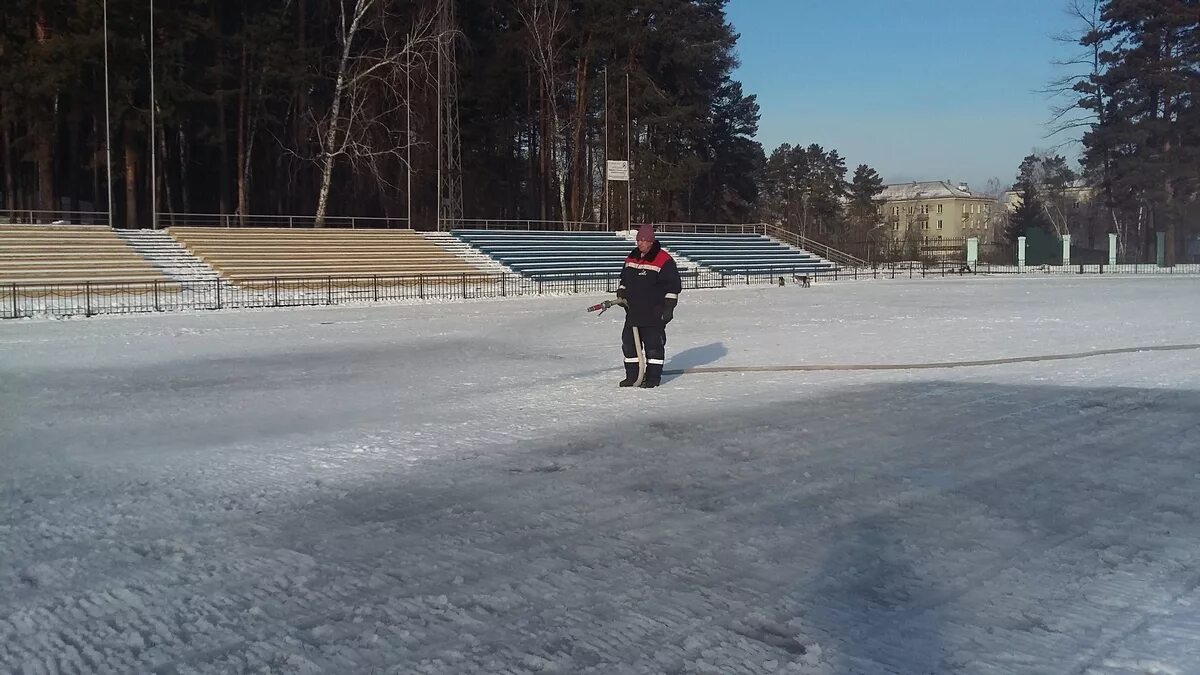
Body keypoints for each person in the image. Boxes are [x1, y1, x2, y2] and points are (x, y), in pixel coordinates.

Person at [615, 224, 681, 388]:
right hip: (633, 312)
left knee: (654, 347)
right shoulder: (631, 258)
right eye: (638, 240)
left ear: (651, 241)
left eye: (644, 240)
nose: (640, 243)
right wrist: (622, 293)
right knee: (629, 345)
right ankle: (633, 376)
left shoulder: (663, 260)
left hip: (654, 312)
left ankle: (652, 378)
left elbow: (673, 287)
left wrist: (669, 308)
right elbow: (624, 280)